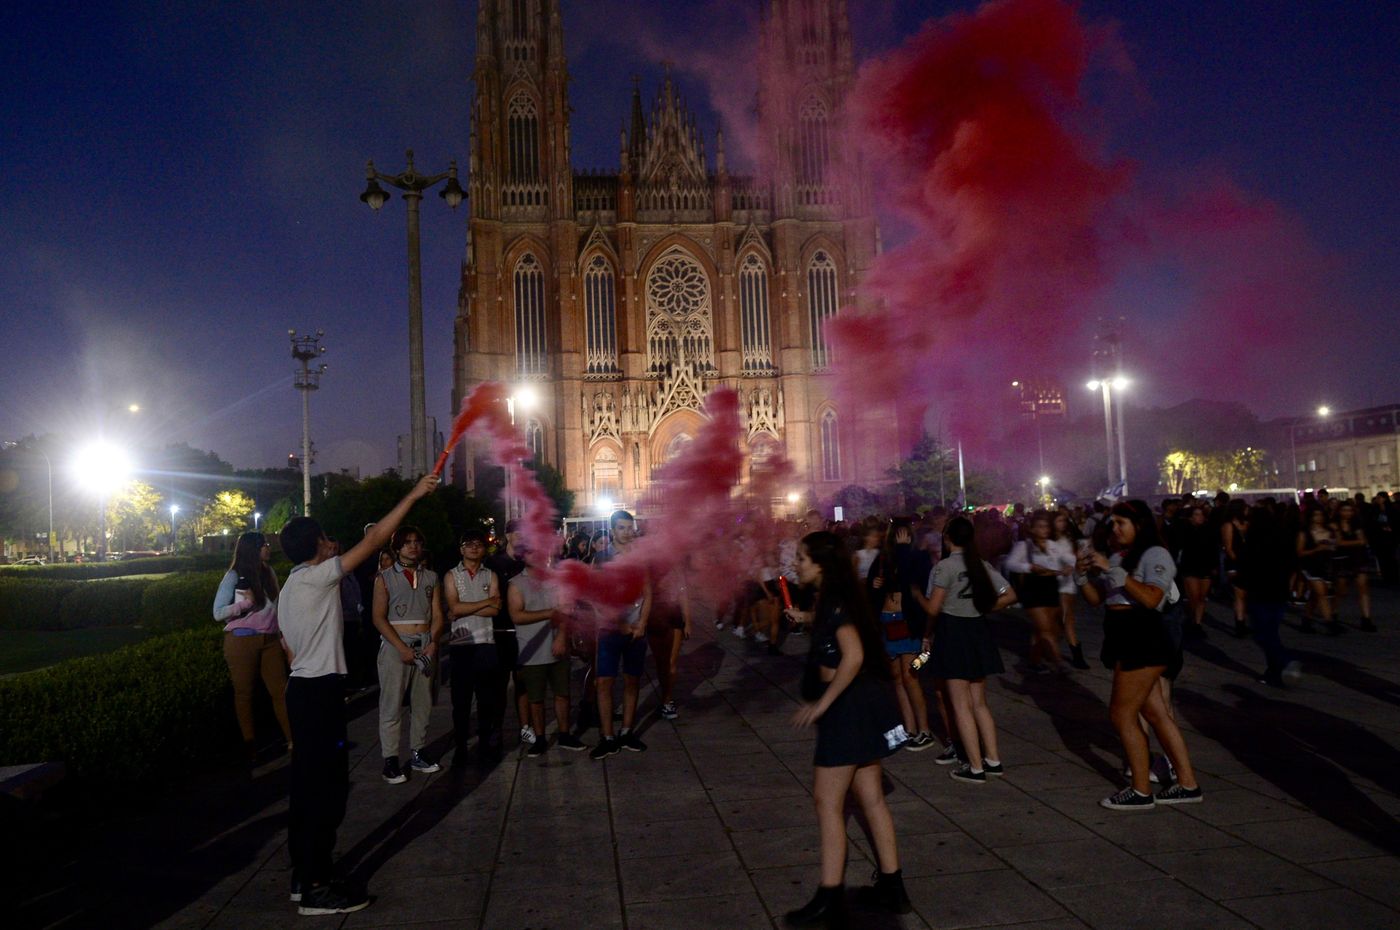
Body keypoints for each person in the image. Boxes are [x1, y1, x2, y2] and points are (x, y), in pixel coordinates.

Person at [278, 472, 438, 916]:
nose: (334, 543)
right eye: (327, 538)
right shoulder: (315, 578)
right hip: (317, 693)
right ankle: (315, 887)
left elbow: (287, 647)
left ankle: (303, 875)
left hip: (304, 689)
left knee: (308, 786)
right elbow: (374, 544)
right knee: (326, 790)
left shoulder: (293, 585)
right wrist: (413, 495)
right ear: (316, 547)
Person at [783, 531, 910, 928]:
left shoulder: (836, 602)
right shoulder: (835, 599)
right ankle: (893, 887)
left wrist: (821, 704)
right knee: (870, 797)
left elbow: (852, 657)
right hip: (862, 706)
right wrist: (807, 619)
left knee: (827, 803)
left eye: (802, 559)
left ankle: (830, 897)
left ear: (820, 565)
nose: (796, 565)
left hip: (847, 711)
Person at [1076, 500, 1203, 811]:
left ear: (1140, 525)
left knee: (1121, 714)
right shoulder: (1120, 555)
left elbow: (1151, 599)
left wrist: (1114, 571)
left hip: (1145, 637)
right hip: (1121, 634)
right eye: (1113, 524)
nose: (1115, 529)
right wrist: (1081, 576)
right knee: (1156, 713)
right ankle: (1187, 784)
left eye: (1122, 523)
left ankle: (1141, 789)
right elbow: (1098, 600)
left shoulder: (1155, 554)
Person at [922, 517, 1018, 784]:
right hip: (977, 631)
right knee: (979, 702)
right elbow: (1010, 594)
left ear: (947, 537)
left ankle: (975, 767)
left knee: (960, 704)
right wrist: (986, 607)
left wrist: (918, 597)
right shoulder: (981, 564)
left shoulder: (944, 567)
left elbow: (933, 609)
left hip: (953, 633)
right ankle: (993, 760)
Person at [372, 527, 444, 784]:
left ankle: (418, 751)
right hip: (396, 644)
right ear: (397, 547)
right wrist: (400, 647)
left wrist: (434, 641)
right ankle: (390, 759)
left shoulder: (431, 577)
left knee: (422, 701)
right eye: (407, 543)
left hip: (424, 643)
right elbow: (378, 617)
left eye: (417, 542)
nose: (413, 547)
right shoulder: (384, 577)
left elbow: (437, 614)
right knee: (391, 703)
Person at [211, 532, 291, 764]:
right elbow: (217, 612)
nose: (268, 548)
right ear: (251, 549)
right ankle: (250, 747)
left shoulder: (268, 572)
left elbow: (276, 608)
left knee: (281, 691)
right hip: (241, 641)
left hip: (270, 640)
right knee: (244, 694)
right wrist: (246, 604)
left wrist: (283, 637)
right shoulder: (233, 576)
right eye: (263, 545)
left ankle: (292, 740)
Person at [510, 547, 586, 755]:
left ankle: (564, 734)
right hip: (530, 647)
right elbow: (517, 616)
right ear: (523, 555)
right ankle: (540, 738)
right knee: (536, 697)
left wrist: (562, 637)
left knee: (563, 693)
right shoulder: (516, 583)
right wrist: (550, 613)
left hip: (556, 644)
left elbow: (566, 610)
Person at [867, 519, 934, 750]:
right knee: (896, 678)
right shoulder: (883, 559)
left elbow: (911, 583)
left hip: (908, 622)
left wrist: (905, 551)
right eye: (897, 535)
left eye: (904, 535)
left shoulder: (918, 558)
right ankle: (910, 727)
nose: (900, 539)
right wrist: (874, 584)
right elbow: (873, 589)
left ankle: (924, 729)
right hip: (887, 621)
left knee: (911, 676)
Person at [589, 510, 651, 759]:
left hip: (637, 628)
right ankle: (607, 736)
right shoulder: (602, 559)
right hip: (609, 628)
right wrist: (620, 624)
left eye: (630, 527)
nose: (628, 532)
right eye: (622, 528)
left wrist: (643, 622)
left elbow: (648, 592)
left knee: (632, 679)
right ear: (612, 530)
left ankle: (627, 731)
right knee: (605, 681)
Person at [443, 530, 501, 765]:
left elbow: (495, 610)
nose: (474, 548)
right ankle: (460, 746)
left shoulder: (491, 574)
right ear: (461, 549)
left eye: (478, 544)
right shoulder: (451, 575)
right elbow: (453, 608)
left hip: (486, 642)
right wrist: (486, 602)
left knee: (487, 698)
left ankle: (485, 742)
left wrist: (465, 607)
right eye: (469, 544)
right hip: (461, 644)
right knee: (461, 700)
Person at [1005, 510, 1074, 674]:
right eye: (1040, 527)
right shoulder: (1024, 546)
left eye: (1046, 527)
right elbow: (1010, 564)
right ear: (1033, 529)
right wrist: (1029, 567)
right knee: (1045, 629)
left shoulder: (1053, 546)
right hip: (1033, 589)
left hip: (1050, 589)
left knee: (1045, 629)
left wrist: (1068, 566)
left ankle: (1034, 661)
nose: (1044, 530)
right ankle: (1059, 663)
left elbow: (1069, 558)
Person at [1239, 505, 1300, 687]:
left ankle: (1284, 661)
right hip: (1279, 590)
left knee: (1262, 634)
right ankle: (1273, 671)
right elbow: (1292, 563)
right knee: (1271, 632)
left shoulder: (1253, 540)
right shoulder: (1282, 537)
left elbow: (1247, 566)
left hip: (1261, 591)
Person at [1332, 501, 1376, 631]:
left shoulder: (1356, 524)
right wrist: (1357, 542)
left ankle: (1366, 618)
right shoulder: (1334, 525)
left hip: (1358, 558)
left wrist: (1351, 542)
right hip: (1343, 560)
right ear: (1339, 511)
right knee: (1341, 590)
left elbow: (1362, 540)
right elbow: (1340, 543)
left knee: (1363, 588)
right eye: (1344, 510)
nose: (1347, 513)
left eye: (1349, 510)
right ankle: (1333, 612)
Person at [1297, 506, 1339, 634]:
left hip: (1326, 565)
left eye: (1321, 515)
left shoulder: (1329, 531)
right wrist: (1316, 549)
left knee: (1315, 595)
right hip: (1310, 566)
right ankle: (1329, 622)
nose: (1318, 518)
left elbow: (1336, 545)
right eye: (1315, 515)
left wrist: (1331, 545)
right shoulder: (1304, 533)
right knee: (1322, 593)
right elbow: (1299, 552)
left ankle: (1307, 619)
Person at [1177, 504, 1216, 639]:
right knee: (1194, 596)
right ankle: (1192, 619)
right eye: (1196, 515)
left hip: (1205, 565)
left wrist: (1214, 565)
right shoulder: (1185, 529)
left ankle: (1197, 623)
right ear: (1190, 517)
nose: (1200, 517)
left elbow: (1213, 547)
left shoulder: (1209, 529)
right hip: (1190, 566)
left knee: (1201, 597)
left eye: (1201, 514)